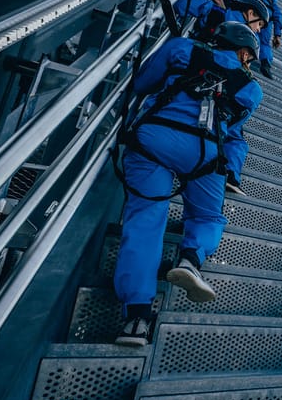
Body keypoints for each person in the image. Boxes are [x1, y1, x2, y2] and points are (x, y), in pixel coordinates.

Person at [113, 22, 263, 347]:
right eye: (249, 56)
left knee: (146, 220)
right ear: (243, 50)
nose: (248, 62)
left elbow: (142, 84)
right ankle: (190, 260)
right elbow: (233, 127)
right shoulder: (253, 90)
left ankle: (136, 318)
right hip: (206, 154)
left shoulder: (181, 47)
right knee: (208, 217)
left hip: (155, 139)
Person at [172, 0, 270, 194]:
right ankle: (230, 174)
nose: (259, 29)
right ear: (249, 13)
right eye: (259, 23)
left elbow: (182, 3)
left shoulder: (216, 14)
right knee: (235, 136)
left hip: (185, 83)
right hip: (214, 106)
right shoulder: (226, 21)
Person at [209, 0, 282, 75]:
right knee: (263, 43)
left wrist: (224, 10)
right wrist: (277, 34)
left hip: (248, 18)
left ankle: (237, 57)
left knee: (244, 35)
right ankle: (265, 63)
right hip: (266, 22)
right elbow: (278, 13)